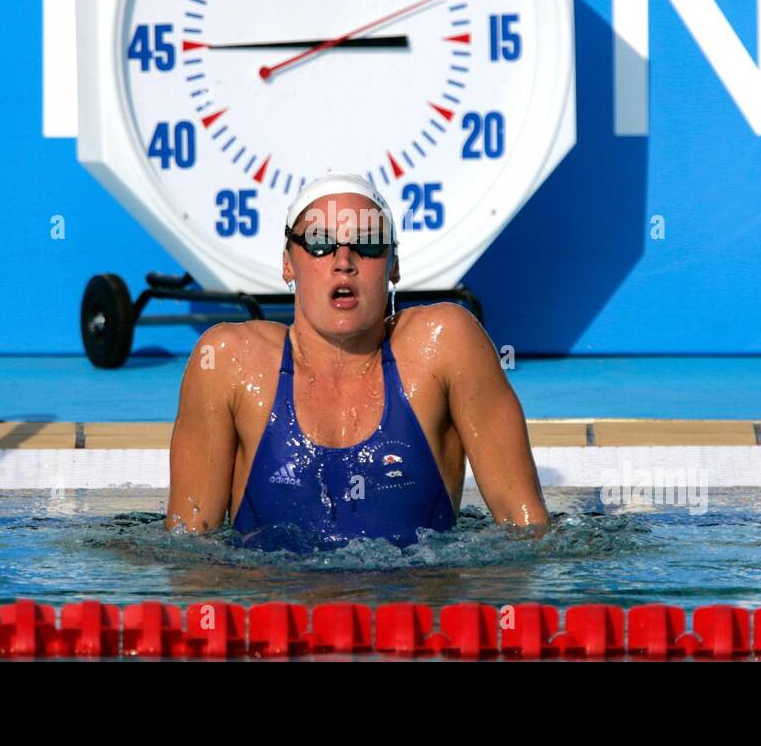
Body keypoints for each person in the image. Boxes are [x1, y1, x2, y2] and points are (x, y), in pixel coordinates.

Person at [165, 171, 548, 550]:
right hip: (276, 606)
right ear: (287, 263)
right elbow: (188, 552)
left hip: (418, 608)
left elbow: (528, 536)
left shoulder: (446, 345)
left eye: (367, 243)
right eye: (319, 242)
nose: (343, 260)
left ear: (393, 264)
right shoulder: (228, 363)